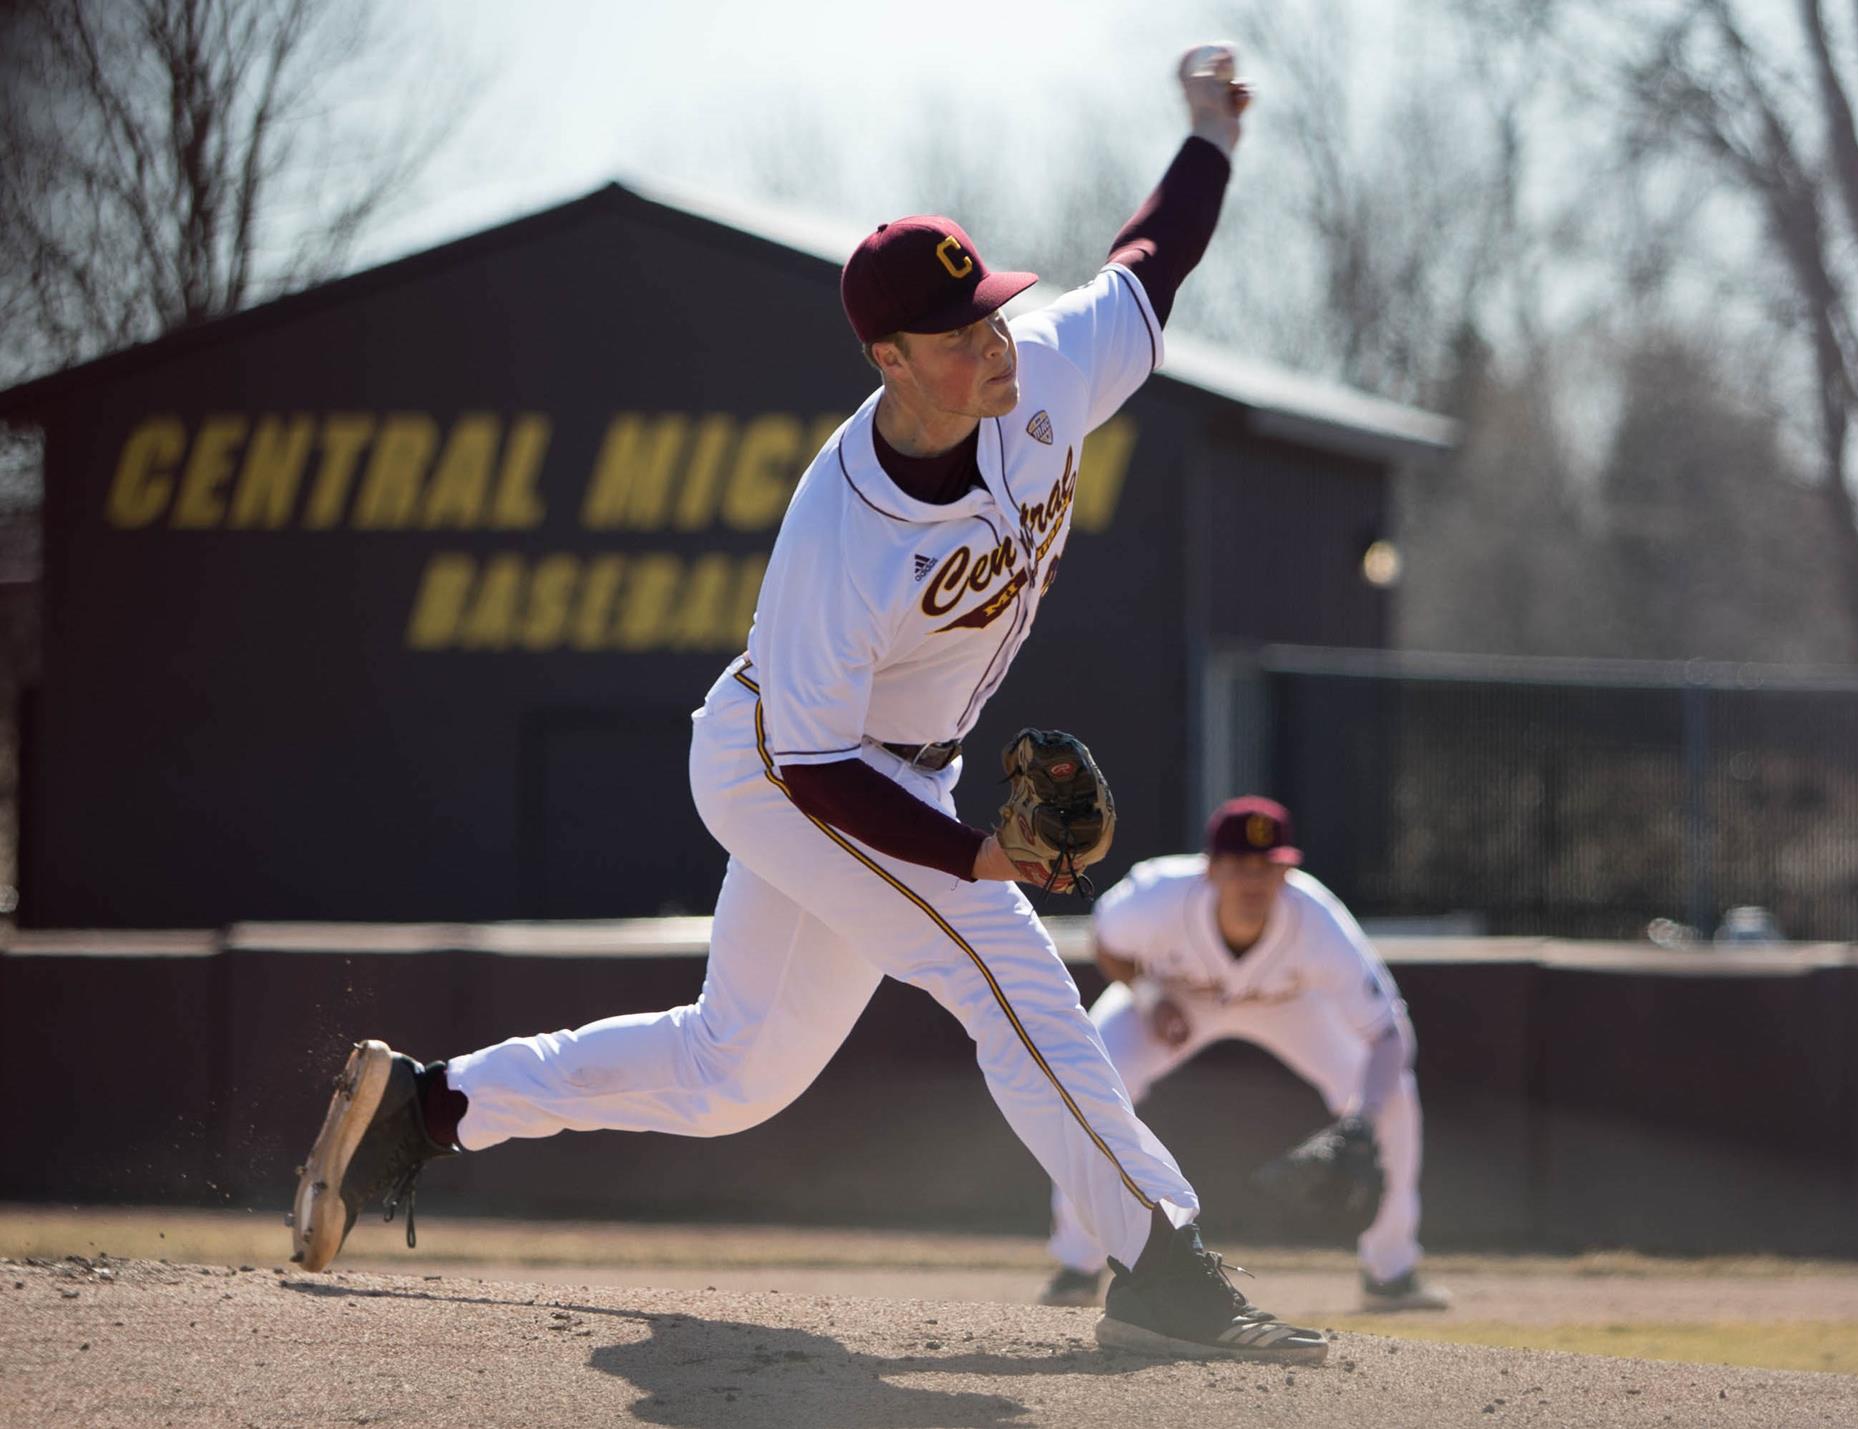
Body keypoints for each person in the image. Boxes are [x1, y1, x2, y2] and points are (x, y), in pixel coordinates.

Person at [289, 44, 1332, 1365]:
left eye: (992, 309)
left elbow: (1147, 266)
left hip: (894, 770)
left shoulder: (1044, 371)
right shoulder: (841, 533)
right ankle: (1161, 1263)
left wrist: (1209, 134)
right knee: (999, 963)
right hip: (787, 767)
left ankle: (428, 1109)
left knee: (733, 1072)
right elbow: (819, 770)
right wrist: (971, 855)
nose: (994, 340)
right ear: (889, 358)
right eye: (960, 334)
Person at [1039, 796, 1451, 1313]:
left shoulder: (1318, 920)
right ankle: (1076, 1264)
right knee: (1087, 1080)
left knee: (1392, 1098)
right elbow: (1106, 940)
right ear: (1210, 868)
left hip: (1290, 1004)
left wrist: (1361, 1121)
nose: (1254, 880)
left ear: (1286, 872)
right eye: (1239, 865)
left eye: (1268, 866)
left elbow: (1389, 1034)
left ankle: (1391, 1272)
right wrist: (1147, 995)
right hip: (1175, 995)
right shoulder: (1156, 896)